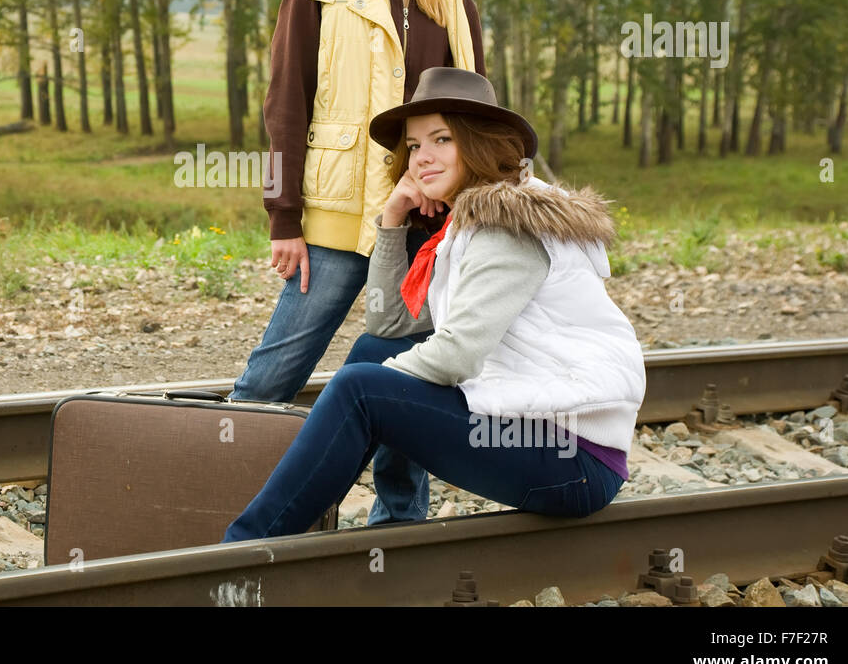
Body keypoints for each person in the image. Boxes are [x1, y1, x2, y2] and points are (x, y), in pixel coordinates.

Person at [222, 67, 646, 542]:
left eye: (441, 139)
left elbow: (457, 354)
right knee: (370, 356)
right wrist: (392, 218)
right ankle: (302, 526)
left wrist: (370, 397)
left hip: (574, 461)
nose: (422, 157)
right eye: (415, 145)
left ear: (480, 142)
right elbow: (388, 324)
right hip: (540, 433)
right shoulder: (471, 224)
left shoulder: (507, 228)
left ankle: (241, 551)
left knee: (360, 388)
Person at [229, 0, 488, 527]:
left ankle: (399, 526)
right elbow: (286, 101)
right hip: (336, 213)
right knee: (276, 370)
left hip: (430, 214)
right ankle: (220, 492)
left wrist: (477, 197)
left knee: (407, 374)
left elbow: (477, 102)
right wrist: (284, 217)